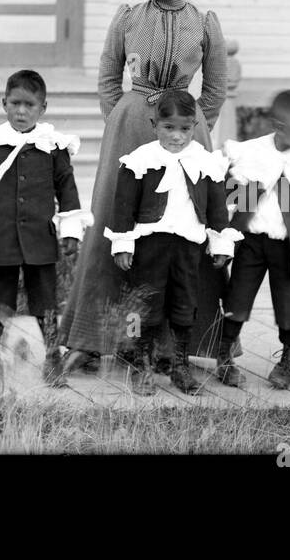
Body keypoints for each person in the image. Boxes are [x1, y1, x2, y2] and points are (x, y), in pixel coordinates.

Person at [60, 0, 227, 373]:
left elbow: (215, 86)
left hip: (185, 128)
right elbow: (108, 74)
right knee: (117, 228)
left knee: (185, 228)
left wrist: (195, 130)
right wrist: (122, 118)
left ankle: (178, 344)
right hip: (132, 127)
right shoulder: (129, 17)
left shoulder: (204, 21)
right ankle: (92, 340)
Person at [0, 69, 85, 387]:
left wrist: (70, 230)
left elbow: (66, 188)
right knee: (0, 298)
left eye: (29, 105)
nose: (21, 111)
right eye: (15, 103)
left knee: (45, 300)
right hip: (1, 237)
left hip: (39, 239)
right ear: (4, 103)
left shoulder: (52, 146)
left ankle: (53, 358)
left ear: (43, 108)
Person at [104, 89, 231, 395]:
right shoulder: (140, 161)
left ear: (194, 127)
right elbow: (124, 206)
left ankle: (178, 363)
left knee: (185, 303)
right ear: (154, 124)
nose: (177, 137)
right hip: (149, 247)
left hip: (188, 247)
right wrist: (123, 243)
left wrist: (221, 243)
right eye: (168, 128)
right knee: (143, 305)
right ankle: (141, 363)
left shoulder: (204, 161)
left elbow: (216, 207)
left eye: (184, 129)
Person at [210, 90, 290, 389]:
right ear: (280, 126)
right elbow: (232, 199)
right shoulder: (250, 154)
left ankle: (288, 359)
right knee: (238, 296)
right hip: (252, 241)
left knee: (289, 302)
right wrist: (225, 238)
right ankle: (224, 356)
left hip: (289, 244)